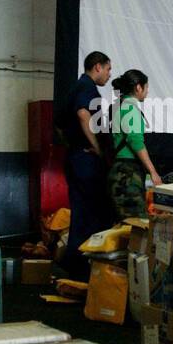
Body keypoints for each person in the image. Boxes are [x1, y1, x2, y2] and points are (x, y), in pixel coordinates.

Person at [59, 51, 114, 279]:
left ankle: (74, 264)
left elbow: (60, 126)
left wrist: (72, 147)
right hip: (86, 161)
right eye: (109, 69)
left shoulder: (74, 88)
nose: (110, 74)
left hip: (75, 157)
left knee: (81, 213)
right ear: (98, 67)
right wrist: (97, 148)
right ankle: (83, 268)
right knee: (92, 215)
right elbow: (83, 115)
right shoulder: (87, 88)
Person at [107, 69, 163, 219]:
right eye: (147, 87)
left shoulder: (119, 107)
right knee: (136, 224)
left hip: (119, 170)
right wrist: (153, 171)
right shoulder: (131, 110)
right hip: (128, 173)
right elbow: (135, 141)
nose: (147, 91)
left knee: (123, 224)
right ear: (139, 87)